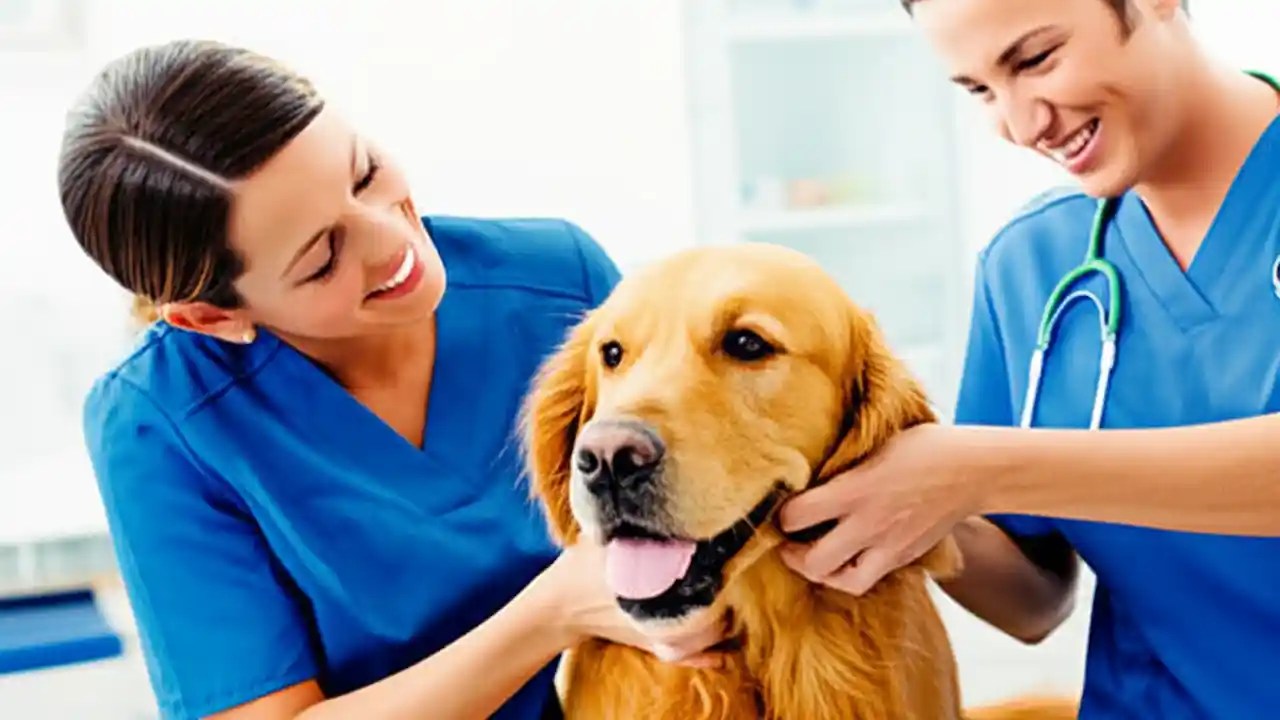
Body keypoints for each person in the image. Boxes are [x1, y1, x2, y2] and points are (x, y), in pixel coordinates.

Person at [62, 40, 723, 720]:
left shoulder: (558, 279)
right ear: (210, 315)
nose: (390, 243)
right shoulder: (161, 423)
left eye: (364, 174)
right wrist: (552, 615)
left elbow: (730, 472)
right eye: (322, 259)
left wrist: (842, 494)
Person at [778, 0, 1280, 717]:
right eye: (980, 90)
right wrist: (898, 497)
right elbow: (1033, 601)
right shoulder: (1030, 267)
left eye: (1036, 59)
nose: (1019, 125)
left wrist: (973, 470)